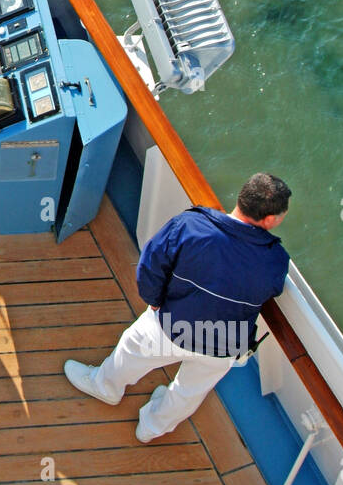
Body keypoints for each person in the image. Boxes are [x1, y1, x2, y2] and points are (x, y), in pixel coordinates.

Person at [64, 173, 293, 442]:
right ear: (269, 220)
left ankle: (105, 387)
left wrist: (155, 301)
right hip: (225, 344)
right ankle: (150, 428)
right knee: (188, 392)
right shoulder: (276, 260)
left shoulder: (190, 225)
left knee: (131, 348)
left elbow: (151, 264)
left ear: (241, 199)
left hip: (174, 325)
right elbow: (273, 289)